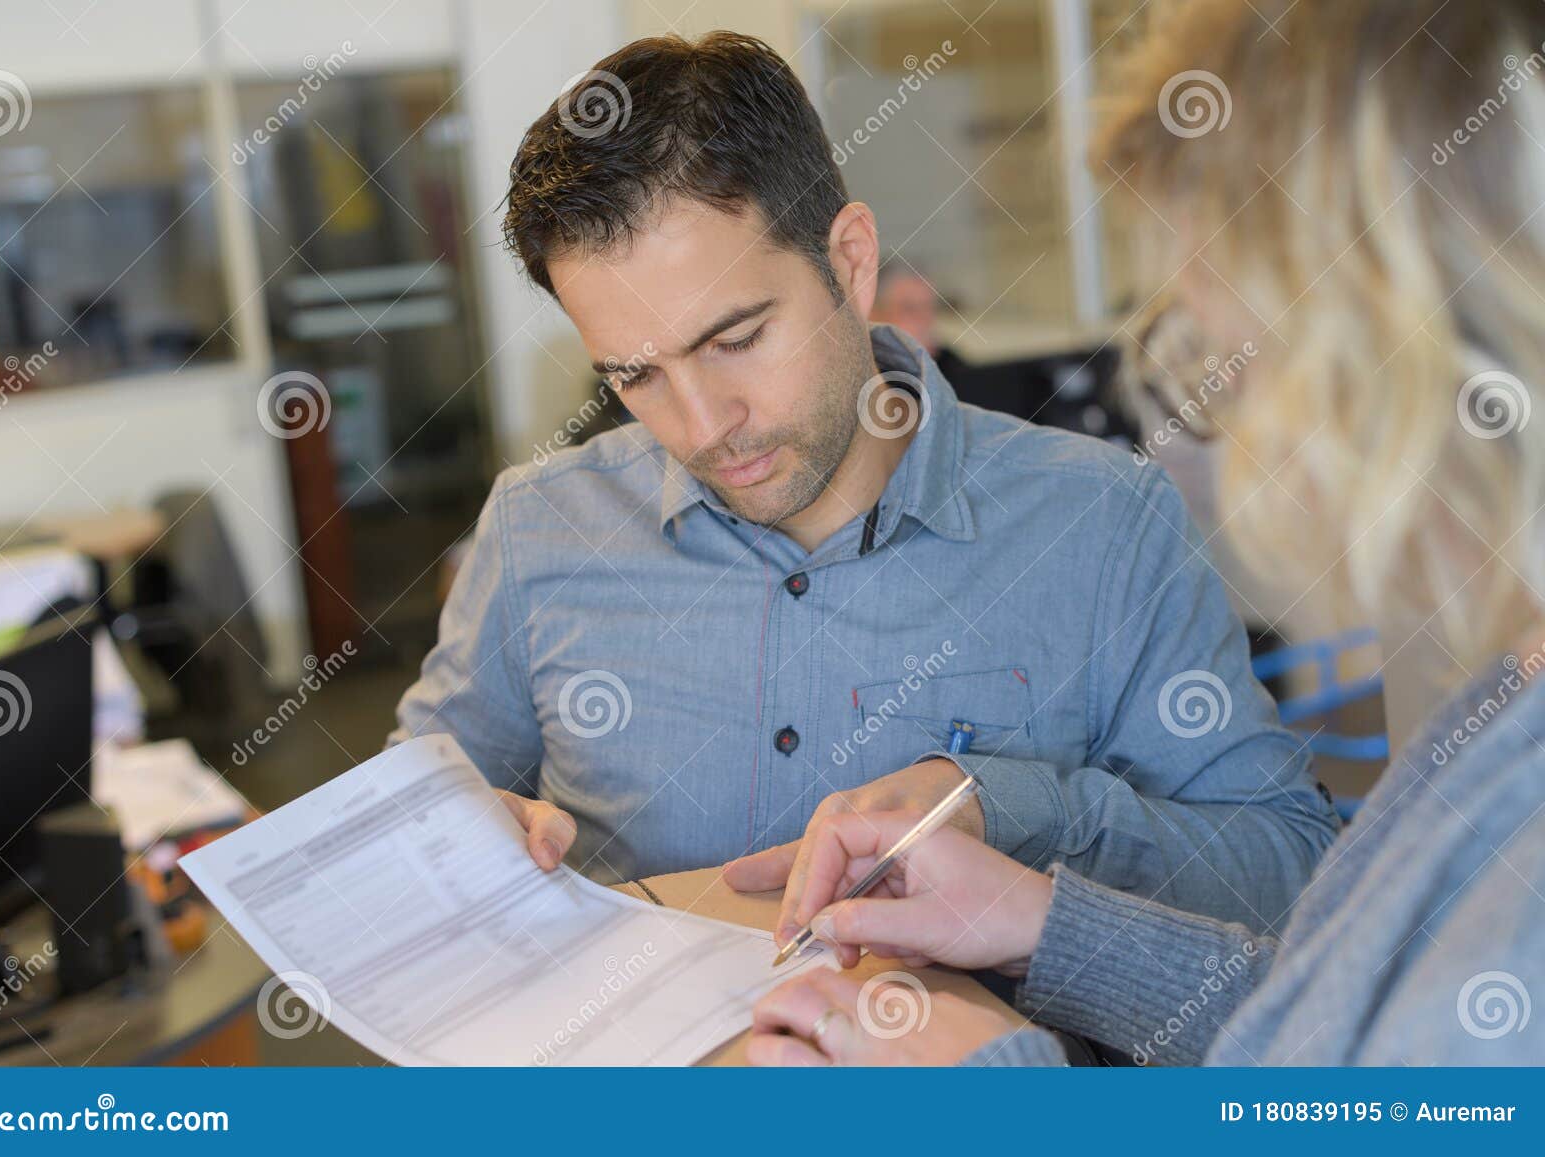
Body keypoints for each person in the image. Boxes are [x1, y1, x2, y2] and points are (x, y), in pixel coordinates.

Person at [389, 31, 1338, 928]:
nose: (703, 425)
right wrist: (456, 844)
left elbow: (1288, 872)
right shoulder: (538, 527)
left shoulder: (1100, 523)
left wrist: (1021, 808)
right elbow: (396, 833)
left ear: (850, 261)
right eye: (634, 376)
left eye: (736, 339)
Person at [748, 0, 1545, 1066]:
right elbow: (1340, 1039)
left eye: (1235, 359)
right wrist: (1043, 924)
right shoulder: (1506, 701)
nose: (1236, 438)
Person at [868, 264, 972, 385]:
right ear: (872, 315)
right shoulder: (865, 378)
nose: (925, 319)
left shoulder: (950, 367)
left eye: (930, 308)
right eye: (910, 308)